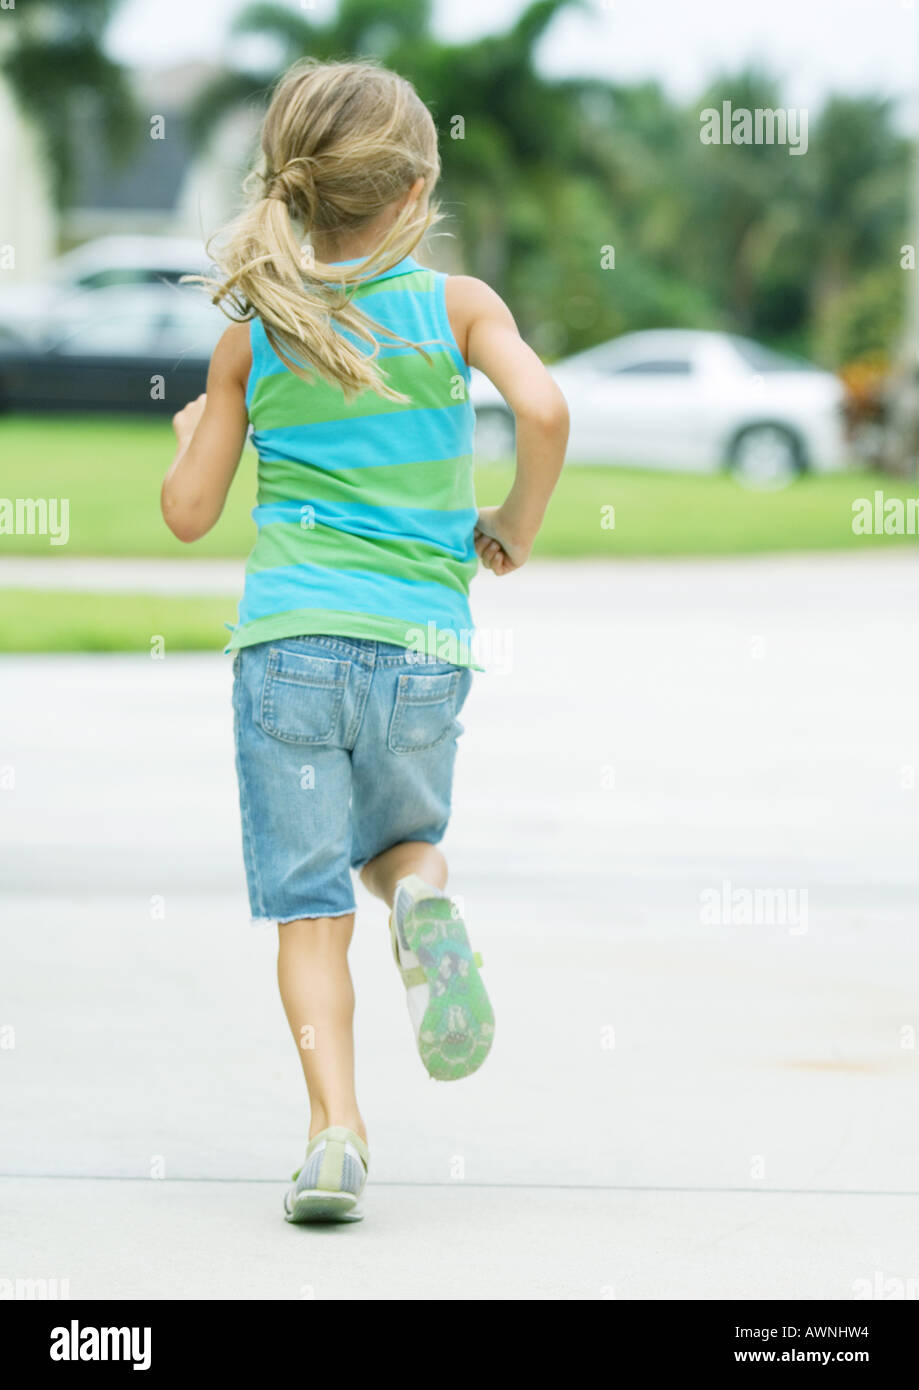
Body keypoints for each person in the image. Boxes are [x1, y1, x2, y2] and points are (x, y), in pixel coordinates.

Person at [161, 57, 569, 1223]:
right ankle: (424, 904)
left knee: (307, 908)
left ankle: (333, 1133)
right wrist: (512, 526)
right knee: (397, 846)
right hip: (420, 651)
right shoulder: (457, 307)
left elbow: (188, 514)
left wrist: (196, 425)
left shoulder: (254, 331)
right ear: (415, 190)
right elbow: (544, 410)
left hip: (288, 650)